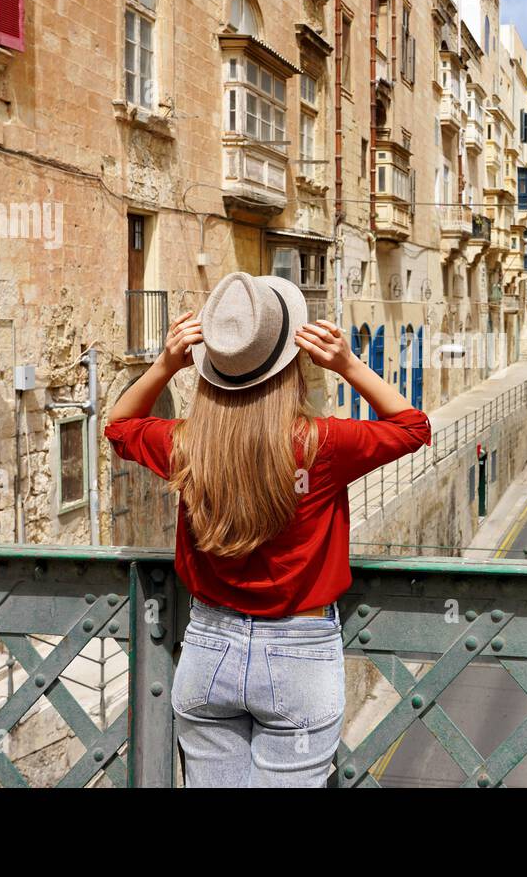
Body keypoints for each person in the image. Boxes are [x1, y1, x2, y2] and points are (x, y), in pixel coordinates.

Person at [104, 272, 430, 787]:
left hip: (208, 649)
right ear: (293, 364)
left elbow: (119, 427)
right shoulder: (322, 446)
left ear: (212, 367)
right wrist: (346, 363)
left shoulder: (188, 446)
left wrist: (165, 365)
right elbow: (413, 427)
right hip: (299, 655)